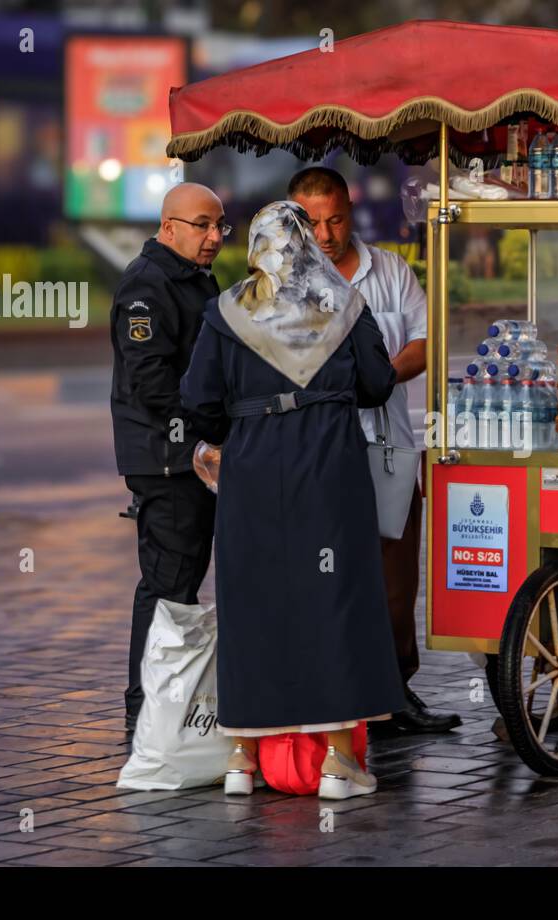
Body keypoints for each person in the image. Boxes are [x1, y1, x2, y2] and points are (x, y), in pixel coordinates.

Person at [180, 200, 407, 799]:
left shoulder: (226, 313)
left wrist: (243, 420)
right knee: (334, 599)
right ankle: (337, 761)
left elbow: (198, 400)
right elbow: (379, 384)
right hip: (328, 467)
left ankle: (241, 759)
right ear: (307, 242)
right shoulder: (344, 306)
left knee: (251, 602)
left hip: (252, 470)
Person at [288, 167, 461, 737]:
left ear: (350, 210)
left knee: (393, 576)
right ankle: (330, 693)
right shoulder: (283, 282)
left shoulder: (388, 271)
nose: (325, 232)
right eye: (311, 222)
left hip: (387, 446)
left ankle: (394, 691)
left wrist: (380, 375)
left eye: (334, 218)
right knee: (325, 572)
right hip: (316, 454)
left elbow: (427, 339)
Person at [110, 182, 226, 739]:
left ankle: (164, 708)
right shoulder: (146, 285)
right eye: (202, 225)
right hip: (169, 462)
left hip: (191, 461)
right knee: (167, 586)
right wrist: (198, 445)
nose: (214, 237)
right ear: (169, 226)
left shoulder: (193, 279)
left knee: (181, 585)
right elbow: (152, 382)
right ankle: (144, 715)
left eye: (220, 226)